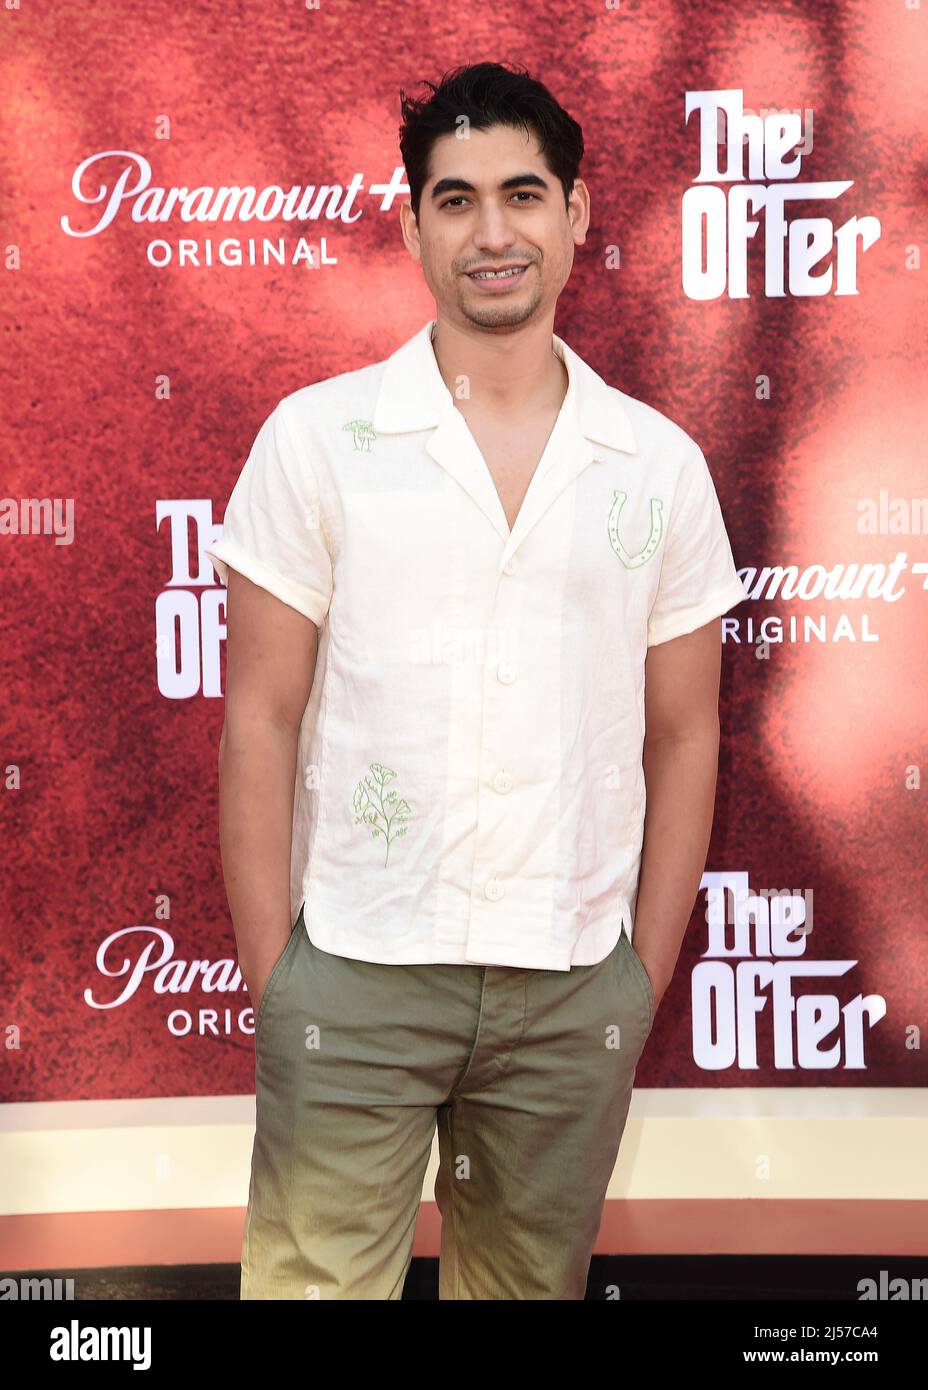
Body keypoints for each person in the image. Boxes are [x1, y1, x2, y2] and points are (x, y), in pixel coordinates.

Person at [204, 60, 744, 1300]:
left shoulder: (654, 468)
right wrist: (276, 976)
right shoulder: (317, 440)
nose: (492, 232)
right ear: (410, 224)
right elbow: (260, 719)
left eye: (521, 194)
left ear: (577, 213)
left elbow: (683, 738)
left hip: (570, 984)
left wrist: (638, 976)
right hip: (352, 967)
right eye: (454, 200)